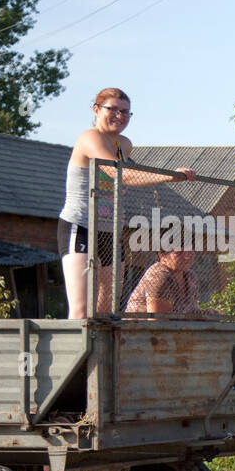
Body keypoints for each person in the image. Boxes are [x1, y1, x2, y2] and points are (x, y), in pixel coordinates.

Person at [57, 88, 195, 318]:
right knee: (82, 310)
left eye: (125, 112)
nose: (119, 116)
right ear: (96, 109)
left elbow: (134, 175)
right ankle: (73, 352)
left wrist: (170, 174)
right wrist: (170, 175)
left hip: (109, 231)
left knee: (105, 310)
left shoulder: (124, 145)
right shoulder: (90, 138)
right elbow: (122, 175)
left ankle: (100, 354)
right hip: (81, 226)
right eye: (113, 110)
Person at [124, 248, 200, 314]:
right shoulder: (159, 276)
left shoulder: (190, 277)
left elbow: (191, 312)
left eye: (190, 251)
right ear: (162, 256)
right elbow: (158, 321)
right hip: (139, 329)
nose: (187, 257)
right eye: (178, 252)